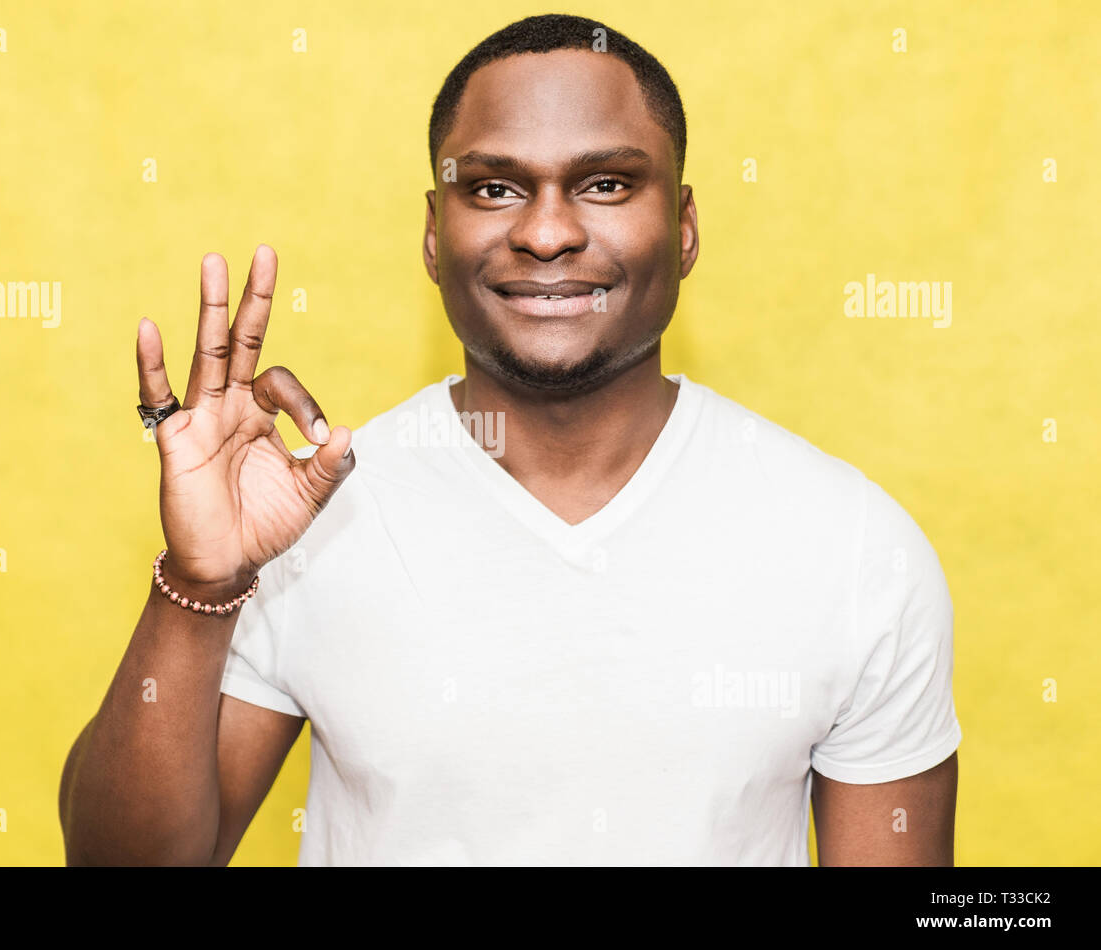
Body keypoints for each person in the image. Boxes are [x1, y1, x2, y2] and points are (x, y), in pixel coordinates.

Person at [59, 13, 960, 866]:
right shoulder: (309, 522)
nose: (546, 232)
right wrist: (199, 583)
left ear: (683, 227)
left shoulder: (851, 547)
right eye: (494, 188)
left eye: (605, 183)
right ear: (432, 231)